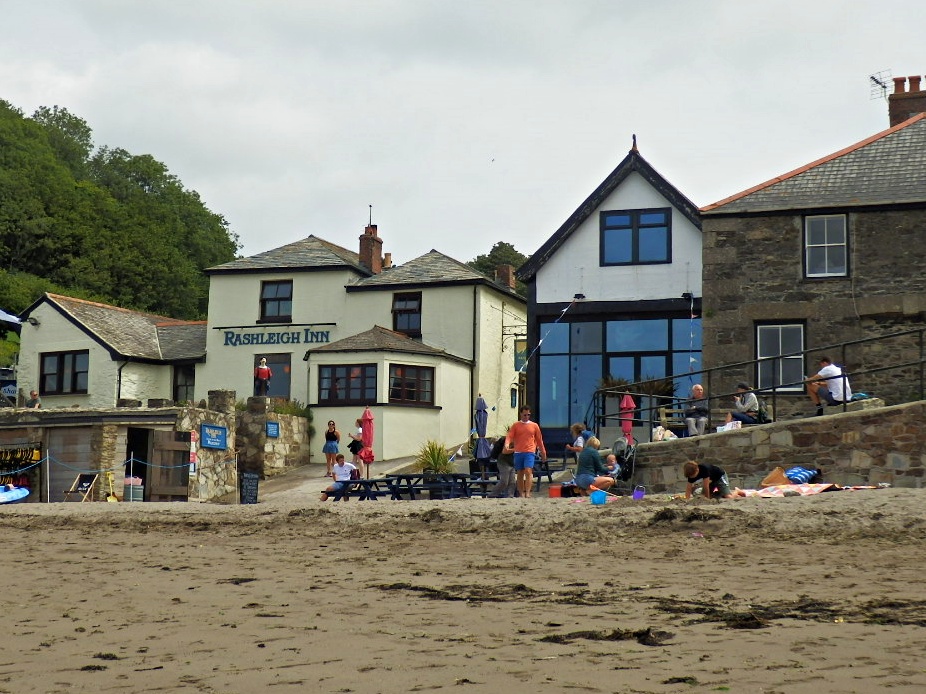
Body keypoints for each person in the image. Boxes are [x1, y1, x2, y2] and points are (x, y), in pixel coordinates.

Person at [504, 405, 547, 499]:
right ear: (520, 414)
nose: (526, 417)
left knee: (528, 470)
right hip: (518, 452)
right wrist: (507, 444)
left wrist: (543, 453)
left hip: (530, 451)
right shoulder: (516, 425)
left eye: (528, 415)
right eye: (525, 415)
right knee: (520, 472)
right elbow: (509, 436)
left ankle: (527, 493)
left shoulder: (534, 426)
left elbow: (539, 440)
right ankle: (521, 493)